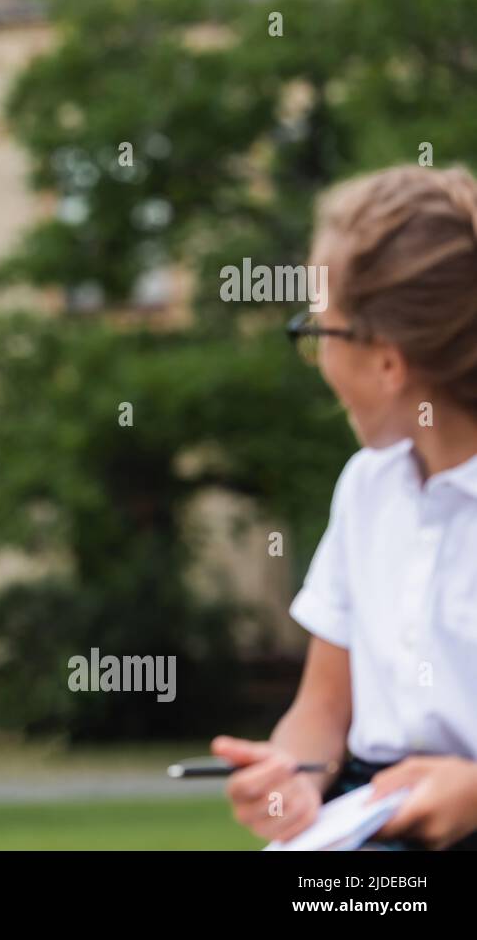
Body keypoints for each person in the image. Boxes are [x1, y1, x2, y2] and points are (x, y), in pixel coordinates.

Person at [214, 165, 477, 850]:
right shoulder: (367, 487)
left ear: (389, 364)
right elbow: (322, 709)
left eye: (320, 331)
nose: (315, 358)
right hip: (365, 816)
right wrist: (292, 776)